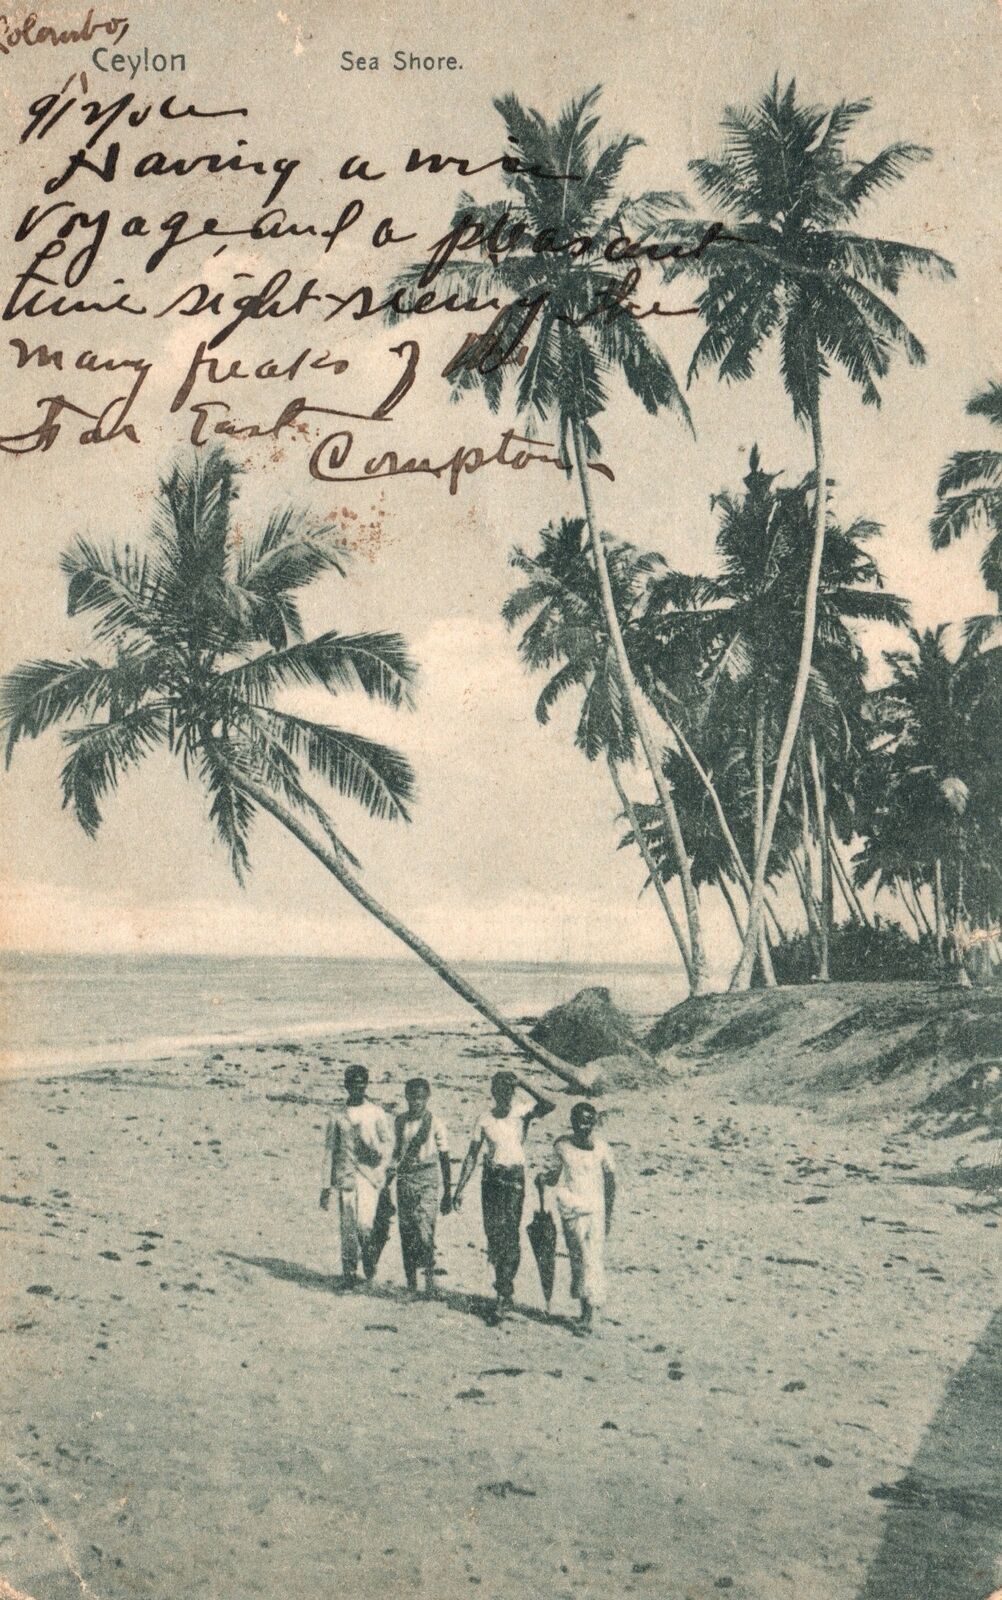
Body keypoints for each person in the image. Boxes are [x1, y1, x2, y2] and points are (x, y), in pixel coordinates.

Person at [453, 1069, 555, 1322]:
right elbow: (472, 1155)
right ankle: (503, 1288)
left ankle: (503, 1292)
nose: (505, 1095)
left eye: (509, 1090)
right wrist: (460, 1187)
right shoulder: (484, 1119)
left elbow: (549, 1104)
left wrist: (524, 1083)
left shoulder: (522, 1112)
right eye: (500, 1090)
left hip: (513, 1179)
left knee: (509, 1232)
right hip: (491, 1179)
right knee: (494, 1234)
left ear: (513, 1092)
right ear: (493, 1092)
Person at [537, 1102, 616, 1335]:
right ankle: (585, 1312)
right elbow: (553, 1176)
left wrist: (608, 1215)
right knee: (579, 1259)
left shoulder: (602, 1148)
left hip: (596, 1211)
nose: (584, 1126)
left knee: (592, 1259)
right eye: (580, 1121)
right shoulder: (561, 1145)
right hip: (571, 1209)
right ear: (572, 1122)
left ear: (594, 1123)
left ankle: (589, 1316)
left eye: (589, 1121)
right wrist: (542, 1179)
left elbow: (611, 1182)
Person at [320, 1065, 393, 1286]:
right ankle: (349, 1273)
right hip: (346, 1175)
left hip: (370, 1175)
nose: (357, 1088)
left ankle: (370, 1256)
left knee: (364, 1224)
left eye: (361, 1084)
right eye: (353, 1084)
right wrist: (325, 1186)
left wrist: (379, 1160)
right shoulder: (337, 1116)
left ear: (366, 1085)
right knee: (348, 1227)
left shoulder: (376, 1112)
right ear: (346, 1085)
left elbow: (388, 1142)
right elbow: (330, 1151)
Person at [387, 1077, 452, 1297]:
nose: (417, 1102)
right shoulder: (400, 1121)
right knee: (407, 1231)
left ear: (427, 1098)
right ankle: (411, 1283)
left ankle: (430, 1281)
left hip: (428, 1179)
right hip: (405, 1178)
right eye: (413, 1097)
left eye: (421, 1098)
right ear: (406, 1097)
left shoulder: (435, 1123)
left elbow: (444, 1157)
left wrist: (448, 1192)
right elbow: (397, 1151)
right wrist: (389, 1176)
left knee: (425, 1230)